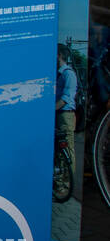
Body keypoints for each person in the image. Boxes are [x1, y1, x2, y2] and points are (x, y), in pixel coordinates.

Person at [56, 45, 78, 184]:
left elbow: (66, 98)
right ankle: (60, 182)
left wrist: (51, 110)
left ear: (58, 55)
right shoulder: (59, 73)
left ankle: (66, 183)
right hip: (60, 115)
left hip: (66, 116)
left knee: (67, 150)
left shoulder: (68, 74)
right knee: (60, 151)